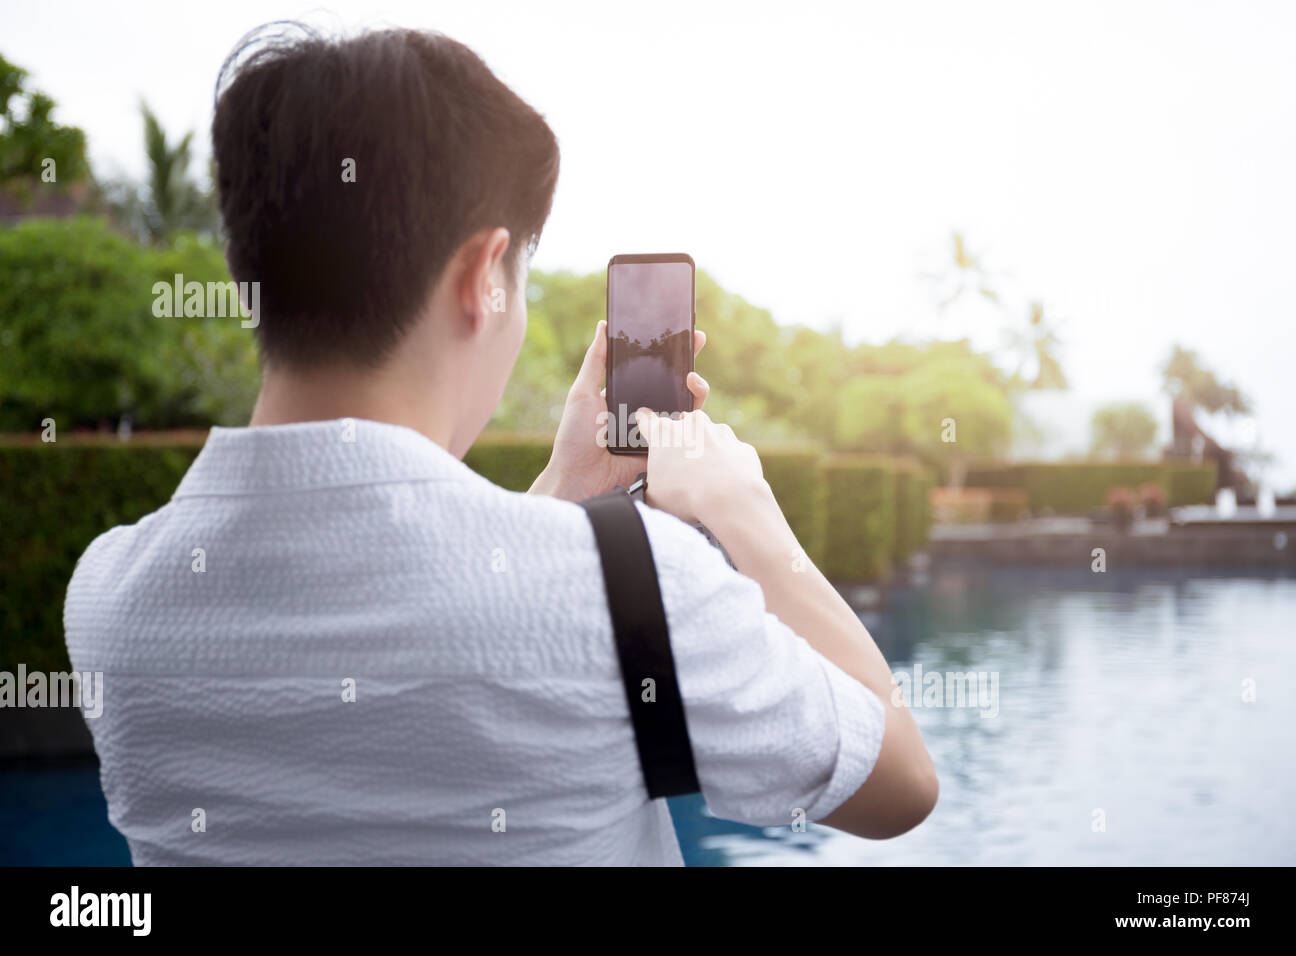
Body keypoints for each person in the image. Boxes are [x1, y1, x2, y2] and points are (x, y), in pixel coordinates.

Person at [64, 24, 937, 865]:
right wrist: (746, 517)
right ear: (484, 277)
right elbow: (899, 782)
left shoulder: (110, 597)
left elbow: (426, 623)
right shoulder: (642, 586)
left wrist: (562, 492)